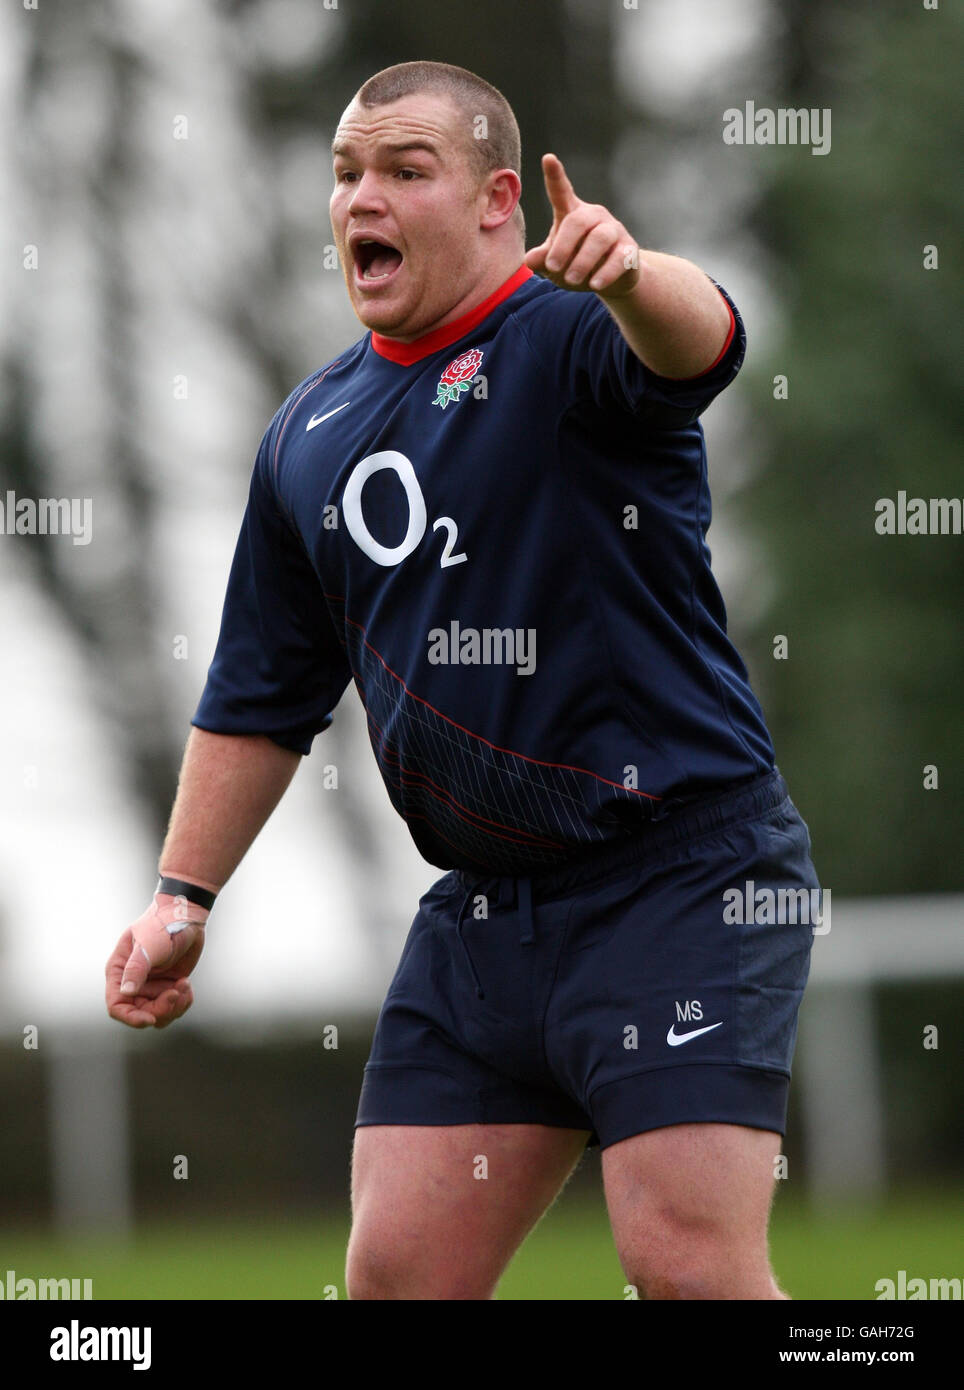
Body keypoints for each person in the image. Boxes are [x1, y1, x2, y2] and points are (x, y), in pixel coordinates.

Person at [106, 60, 820, 1301]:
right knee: (396, 1281)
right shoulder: (306, 436)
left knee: (688, 1270)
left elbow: (703, 342)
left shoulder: (566, 332)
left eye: (402, 169)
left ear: (499, 200)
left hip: (679, 877)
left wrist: (633, 269)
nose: (358, 198)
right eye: (344, 174)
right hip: (483, 916)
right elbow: (261, 698)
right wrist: (182, 892)